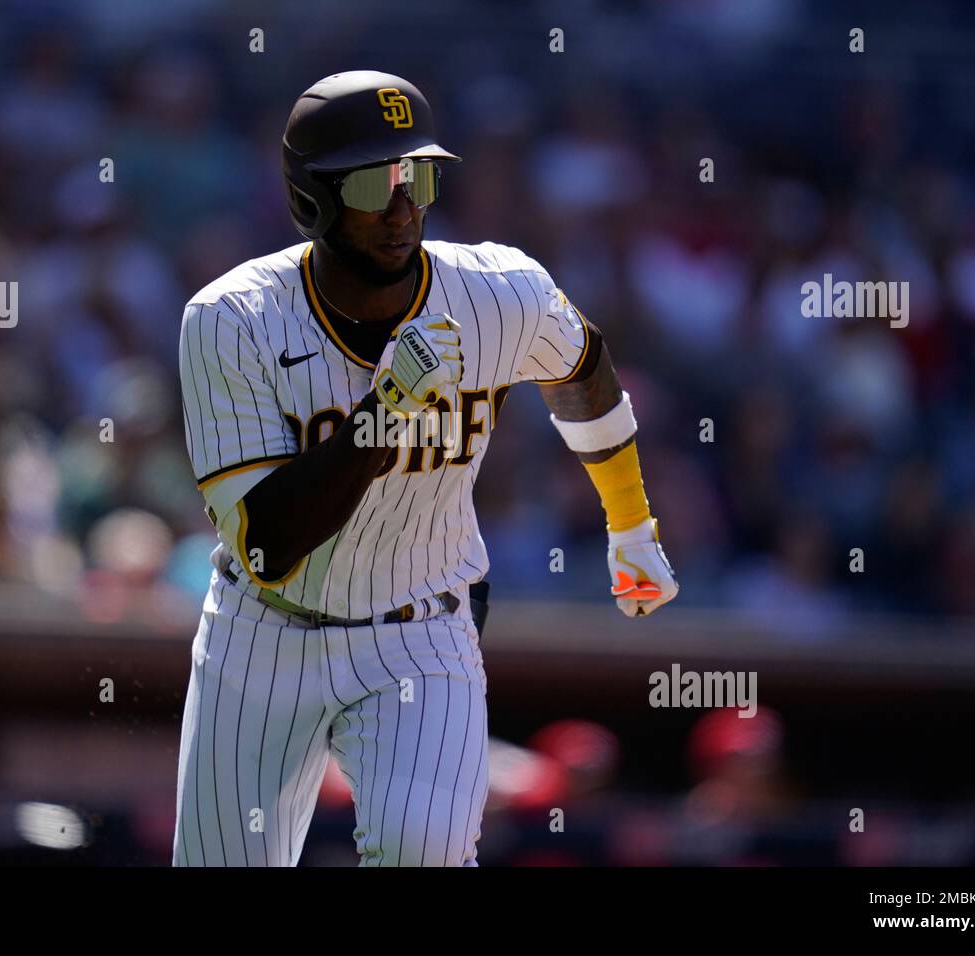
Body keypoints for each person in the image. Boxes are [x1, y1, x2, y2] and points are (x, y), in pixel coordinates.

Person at [172, 71, 678, 867]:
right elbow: (268, 546)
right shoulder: (232, 318)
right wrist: (382, 413)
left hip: (421, 628)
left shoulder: (498, 291)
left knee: (424, 855)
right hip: (263, 633)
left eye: (422, 176)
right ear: (312, 198)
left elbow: (583, 366)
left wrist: (631, 523)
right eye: (378, 182)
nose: (405, 207)